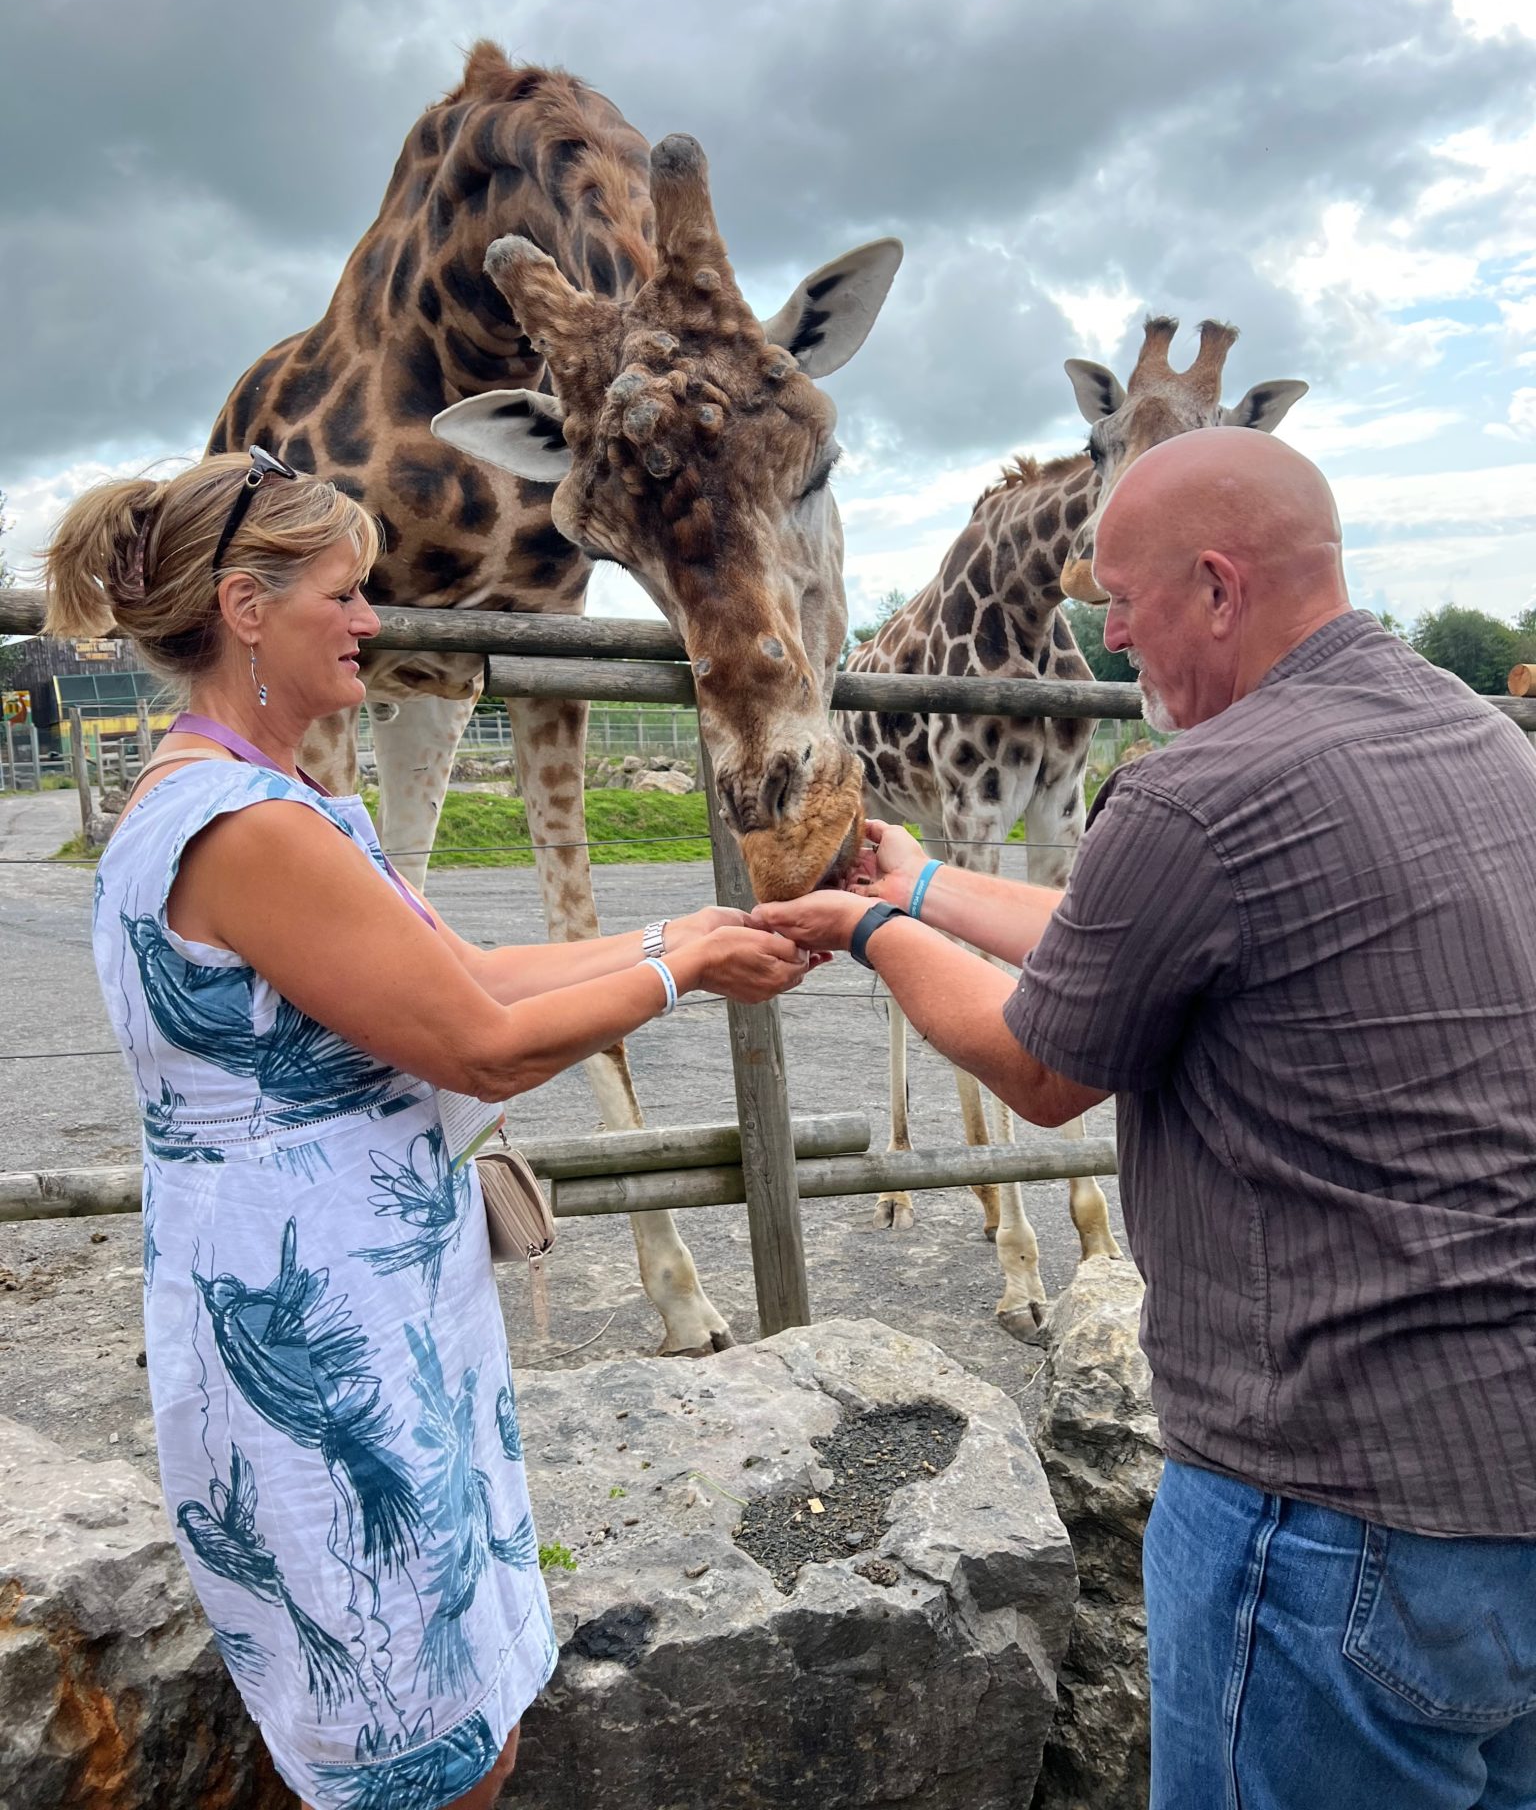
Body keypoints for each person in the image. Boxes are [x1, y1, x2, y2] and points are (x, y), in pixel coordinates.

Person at [755, 430, 1536, 1810]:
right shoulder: (1483, 741)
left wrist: (866, 928)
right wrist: (928, 886)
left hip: (1327, 1508)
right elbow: (1137, 932)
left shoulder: (1195, 792)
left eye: (1121, 601)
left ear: (1219, 588)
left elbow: (1041, 1062)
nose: (1105, 638)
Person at [44, 450, 810, 1810]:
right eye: (342, 594)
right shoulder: (248, 831)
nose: (370, 619)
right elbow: (479, 1044)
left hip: (357, 1300)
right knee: (420, 1748)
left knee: (447, 1726)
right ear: (245, 608)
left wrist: (679, 930)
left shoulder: (266, 803)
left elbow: (471, 978)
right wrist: (685, 972)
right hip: (320, 1327)